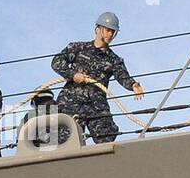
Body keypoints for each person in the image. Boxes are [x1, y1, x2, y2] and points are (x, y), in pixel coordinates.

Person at [51, 13, 144, 144]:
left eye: (113, 31)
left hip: (96, 105)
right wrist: (73, 75)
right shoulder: (78, 48)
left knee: (106, 139)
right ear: (97, 29)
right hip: (71, 101)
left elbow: (122, 75)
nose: (110, 34)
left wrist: (133, 85)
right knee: (65, 141)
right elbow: (57, 61)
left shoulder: (114, 60)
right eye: (107, 30)